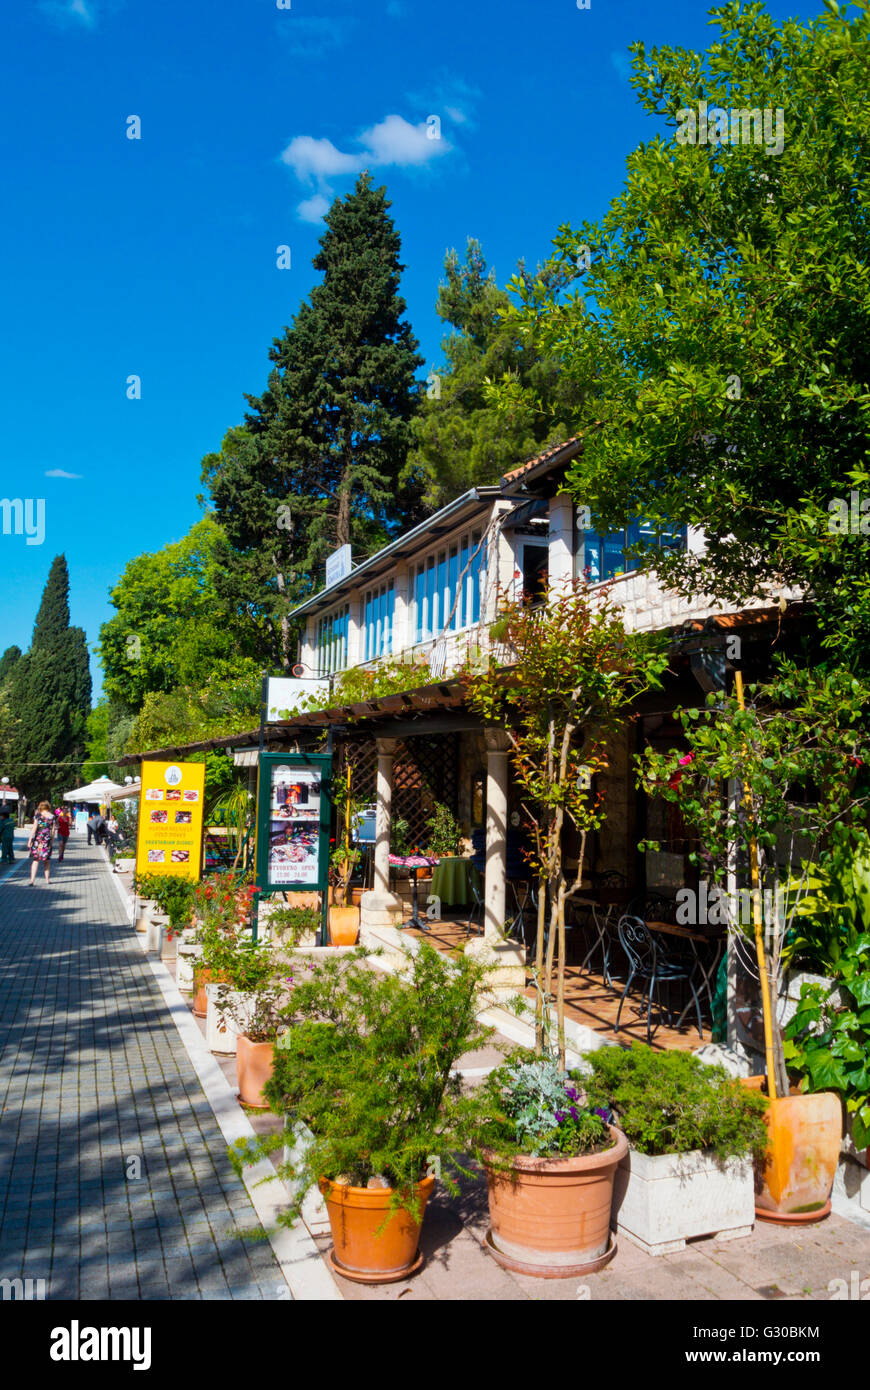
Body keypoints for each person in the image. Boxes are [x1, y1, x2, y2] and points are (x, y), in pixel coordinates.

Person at [28, 801, 55, 884]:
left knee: (35, 860)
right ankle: (47, 879)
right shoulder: (52, 817)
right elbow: (53, 831)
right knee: (46, 861)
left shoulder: (38, 816)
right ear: (48, 807)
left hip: (38, 841)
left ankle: (32, 880)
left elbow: (34, 829)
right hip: (47, 841)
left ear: (40, 807)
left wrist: (30, 840)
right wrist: (52, 842)